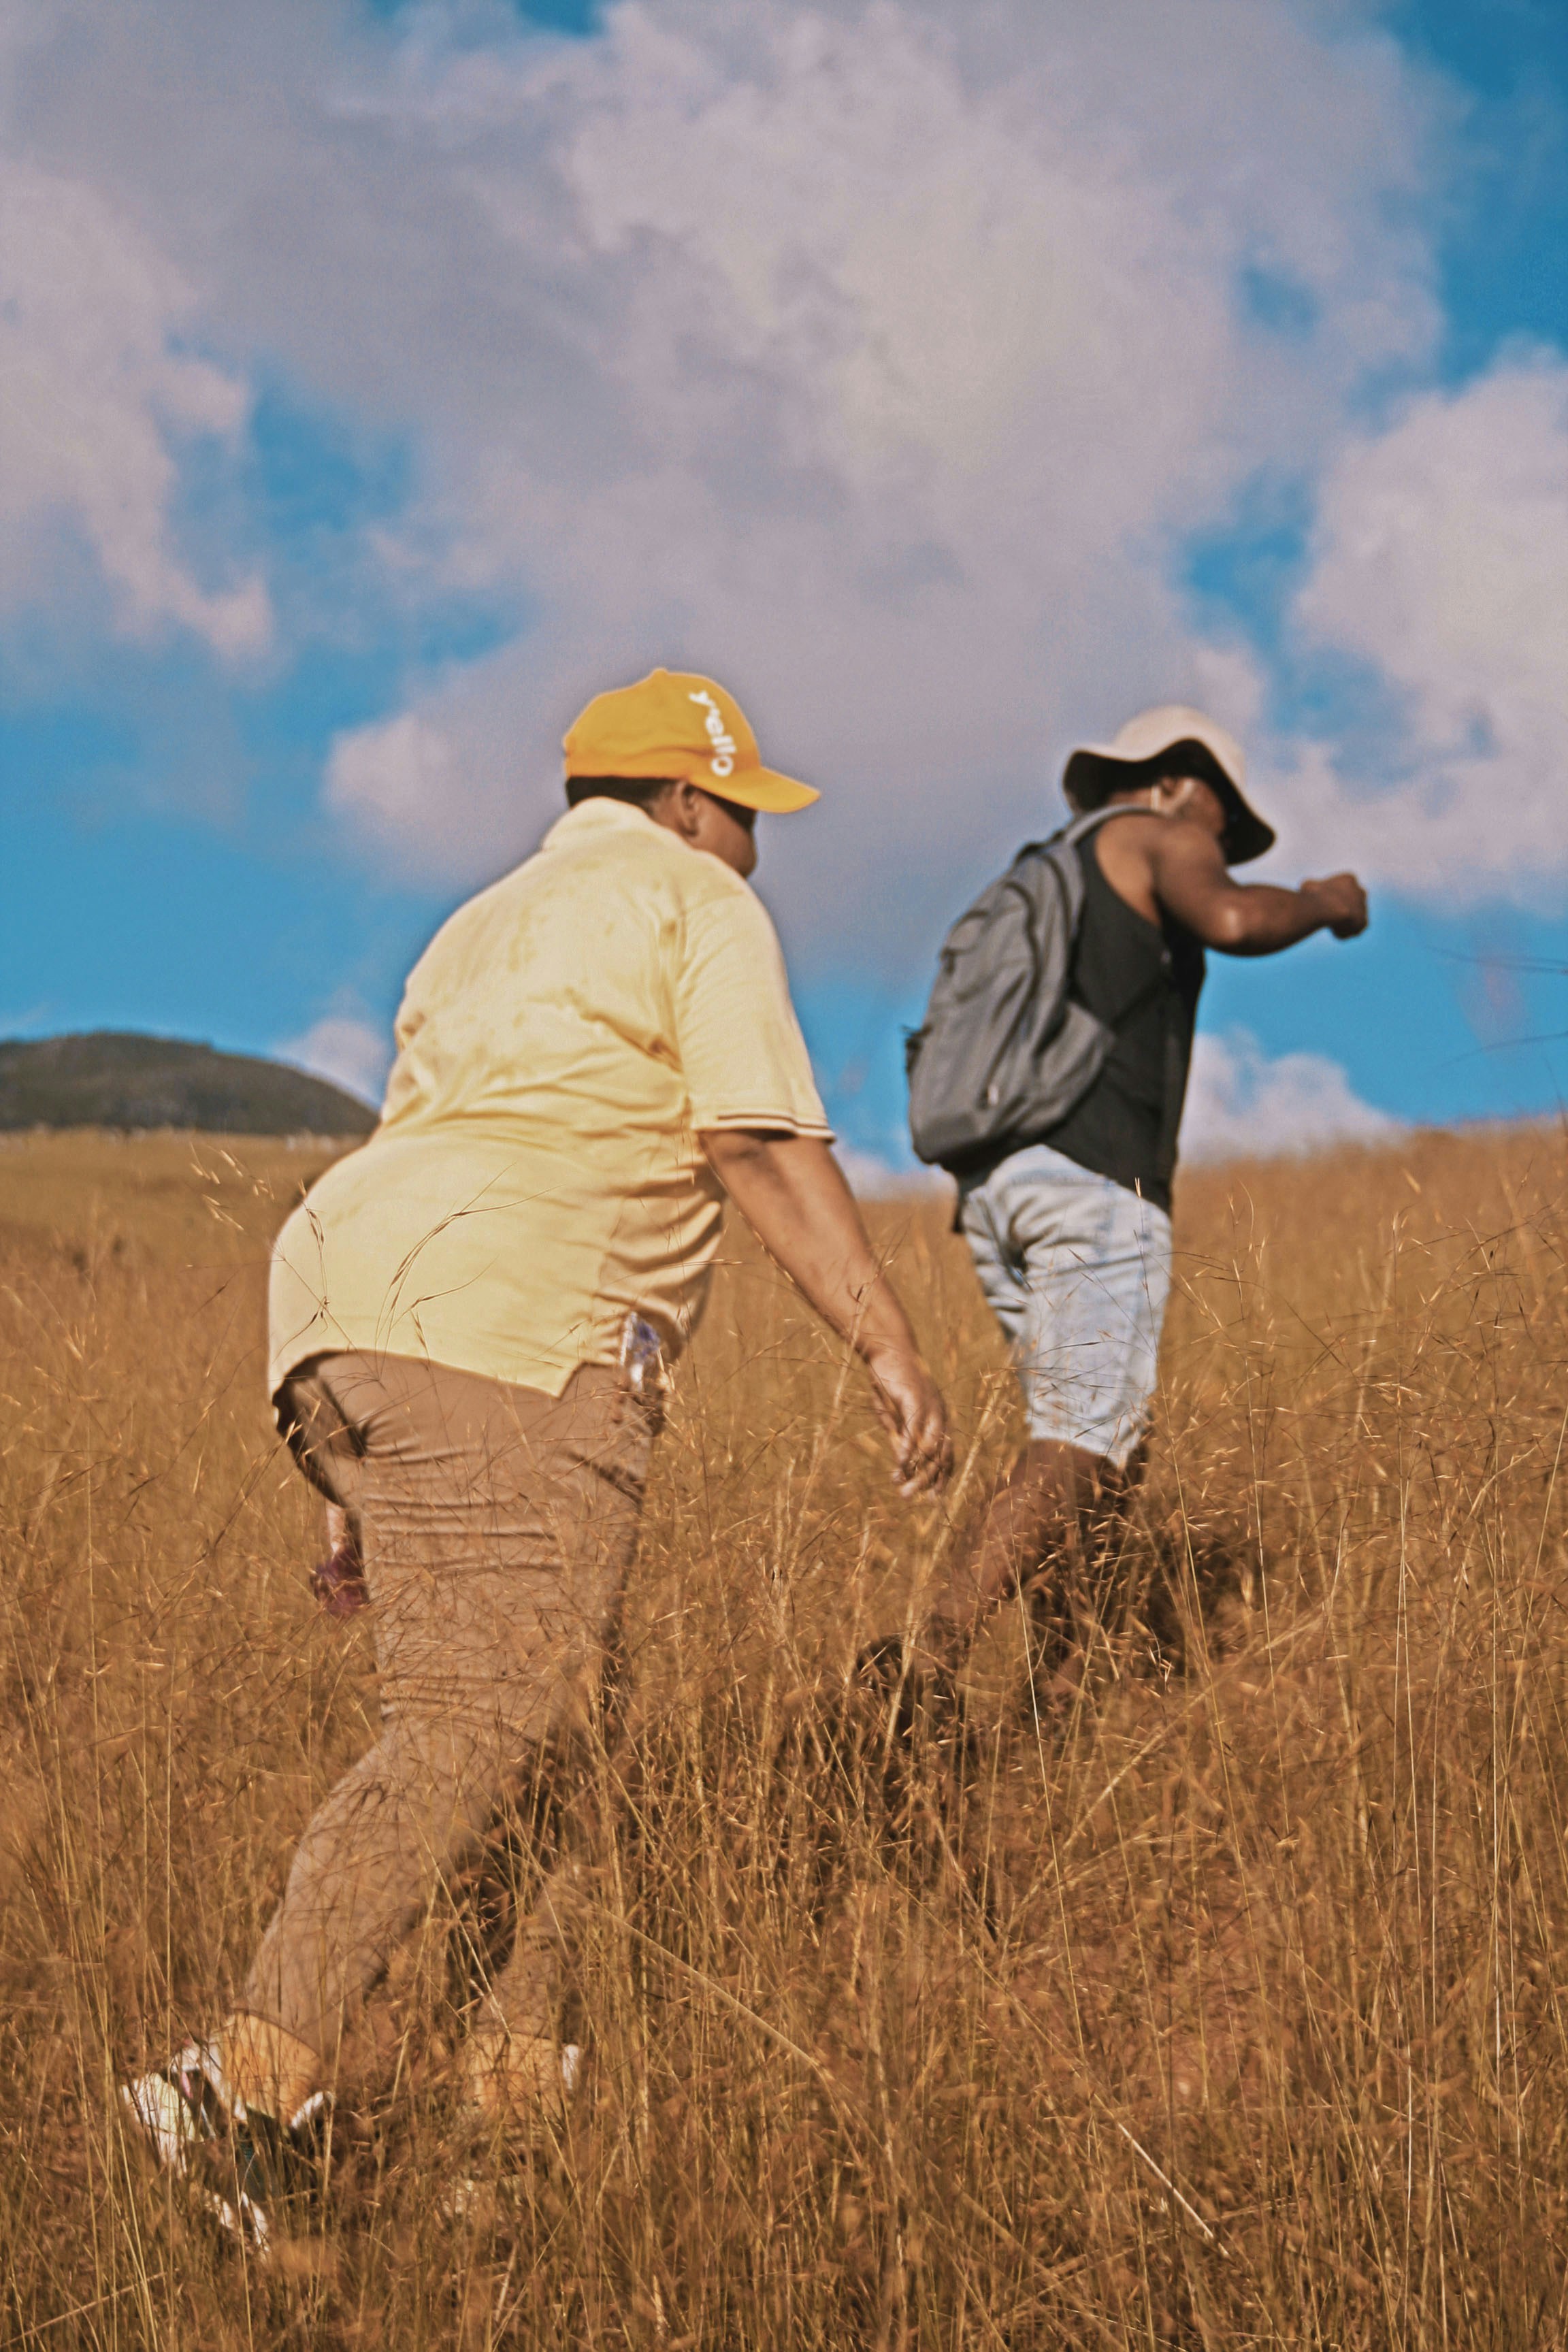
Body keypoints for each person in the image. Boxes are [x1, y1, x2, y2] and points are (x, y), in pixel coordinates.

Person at [122, 666, 951, 2247]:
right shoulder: (693, 901)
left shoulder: (474, 923)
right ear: (690, 802)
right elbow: (756, 1143)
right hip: (514, 1324)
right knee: (489, 1714)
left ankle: (508, 2135)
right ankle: (238, 2081)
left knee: (569, 1725)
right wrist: (887, 1341)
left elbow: (430, 1153)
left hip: (345, 1306)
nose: (757, 848)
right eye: (748, 816)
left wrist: (350, 1490)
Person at [912, 704, 1366, 1678]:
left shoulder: (1044, 869)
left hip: (1000, 1187)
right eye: (1221, 818)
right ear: (1173, 780)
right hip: (1091, 1175)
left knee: (1098, 1453)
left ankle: (1067, 1686)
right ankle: (927, 1658)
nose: (1221, 843)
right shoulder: (1156, 835)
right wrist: (1325, 901)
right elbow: (1236, 919)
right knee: (1084, 1437)